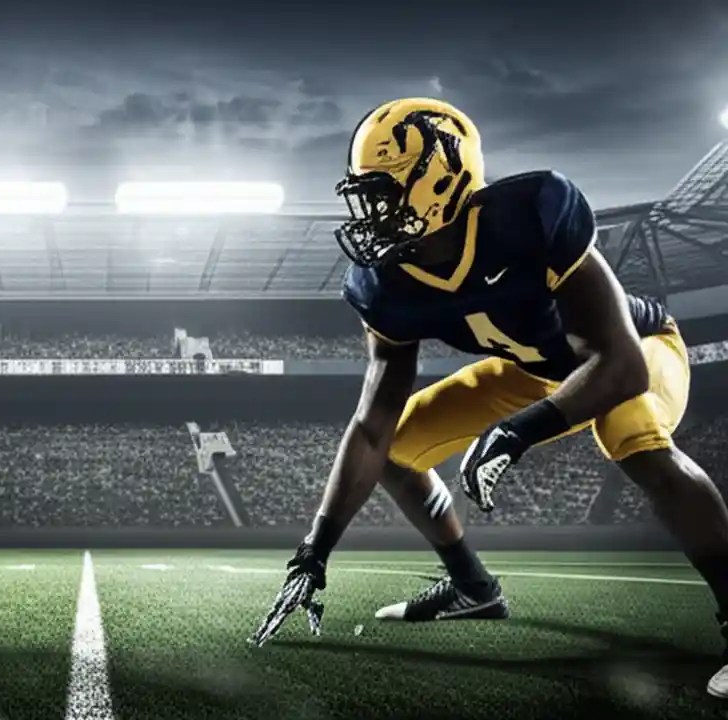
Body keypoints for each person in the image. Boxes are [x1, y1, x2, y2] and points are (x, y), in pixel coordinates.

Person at [250, 97, 728, 698]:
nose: (372, 214)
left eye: (385, 193)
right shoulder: (381, 284)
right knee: (396, 450)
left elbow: (621, 364)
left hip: (635, 348)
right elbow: (371, 425)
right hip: (531, 369)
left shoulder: (531, 212)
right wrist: (313, 550)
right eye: (367, 196)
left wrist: (515, 432)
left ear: (440, 177)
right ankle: (474, 590)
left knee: (631, 436)